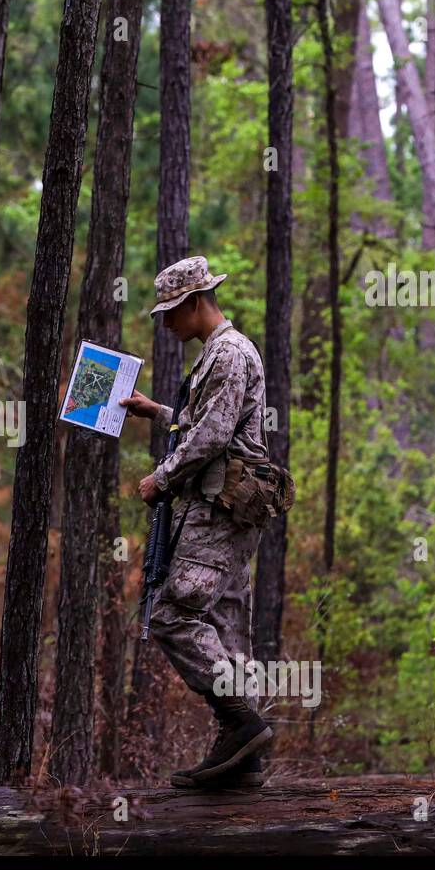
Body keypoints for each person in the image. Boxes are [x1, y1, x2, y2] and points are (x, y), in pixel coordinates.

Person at [120, 255, 273, 788]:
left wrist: (160, 479)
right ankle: (245, 761)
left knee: (171, 615)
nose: (165, 324)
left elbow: (210, 438)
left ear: (193, 302)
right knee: (227, 626)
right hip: (226, 509)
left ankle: (240, 721)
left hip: (218, 509)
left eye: (169, 313)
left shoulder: (229, 353)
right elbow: (202, 423)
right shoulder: (218, 355)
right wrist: (157, 412)